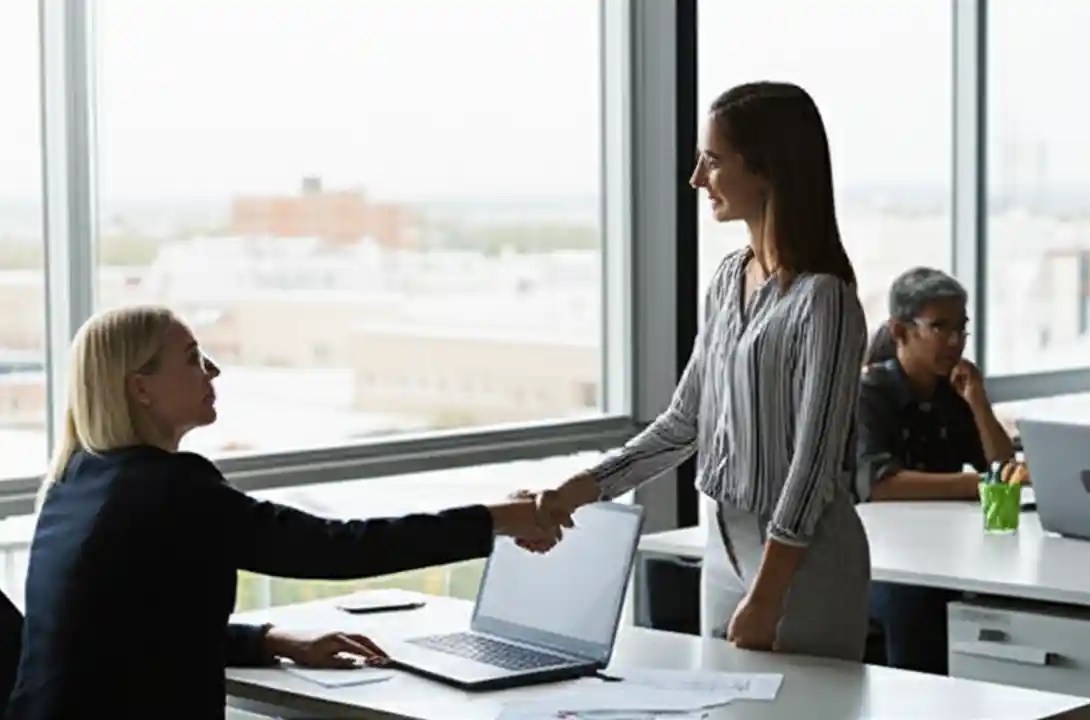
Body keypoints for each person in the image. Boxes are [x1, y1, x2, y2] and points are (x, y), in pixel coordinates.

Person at [7, 305, 555, 719]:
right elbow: (334, 547)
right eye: (194, 357)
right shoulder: (169, 487)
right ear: (141, 388)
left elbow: (129, 633)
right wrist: (495, 519)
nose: (213, 371)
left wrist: (267, 640)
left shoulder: (75, 482)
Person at [517, 82, 869, 660]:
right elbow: (684, 424)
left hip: (802, 563)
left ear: (766, 169)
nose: (697, 178)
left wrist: (769, 593)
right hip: (724, 544)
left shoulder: (824, 300)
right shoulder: (729, 280)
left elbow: (811, 467)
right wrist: (571, 493)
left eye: (712, 160)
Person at [856, 267, 1016, 675]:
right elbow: (880, 485)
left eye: (962, 329)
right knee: (916, 605)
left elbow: (1003, 469)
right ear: (900, 332)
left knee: (1006, 605)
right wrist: (975, 485)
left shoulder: (953, 391)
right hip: (880, 562)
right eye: (940, 328)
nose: (955, 341)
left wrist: (978, 401)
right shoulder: (868, 393)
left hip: (943, 554)